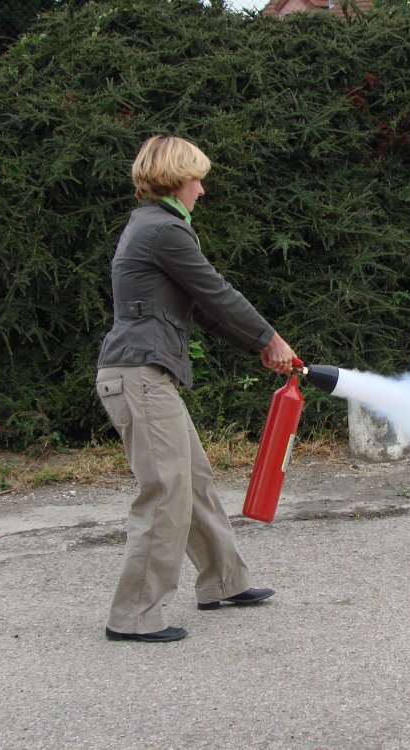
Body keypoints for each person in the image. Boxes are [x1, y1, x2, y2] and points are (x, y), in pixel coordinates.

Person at [95, 135, 296, 643]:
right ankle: (134, 614)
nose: (202, 190)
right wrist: (269, 337)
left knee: (194, 480)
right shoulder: (164, 230)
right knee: (166, 491)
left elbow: (203, 308)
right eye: (197, 179)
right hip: (139, 377)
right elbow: (216, 291)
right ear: (176, 179)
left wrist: (259, 346)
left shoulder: (153, 226)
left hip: (144, 375)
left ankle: (223, 581)